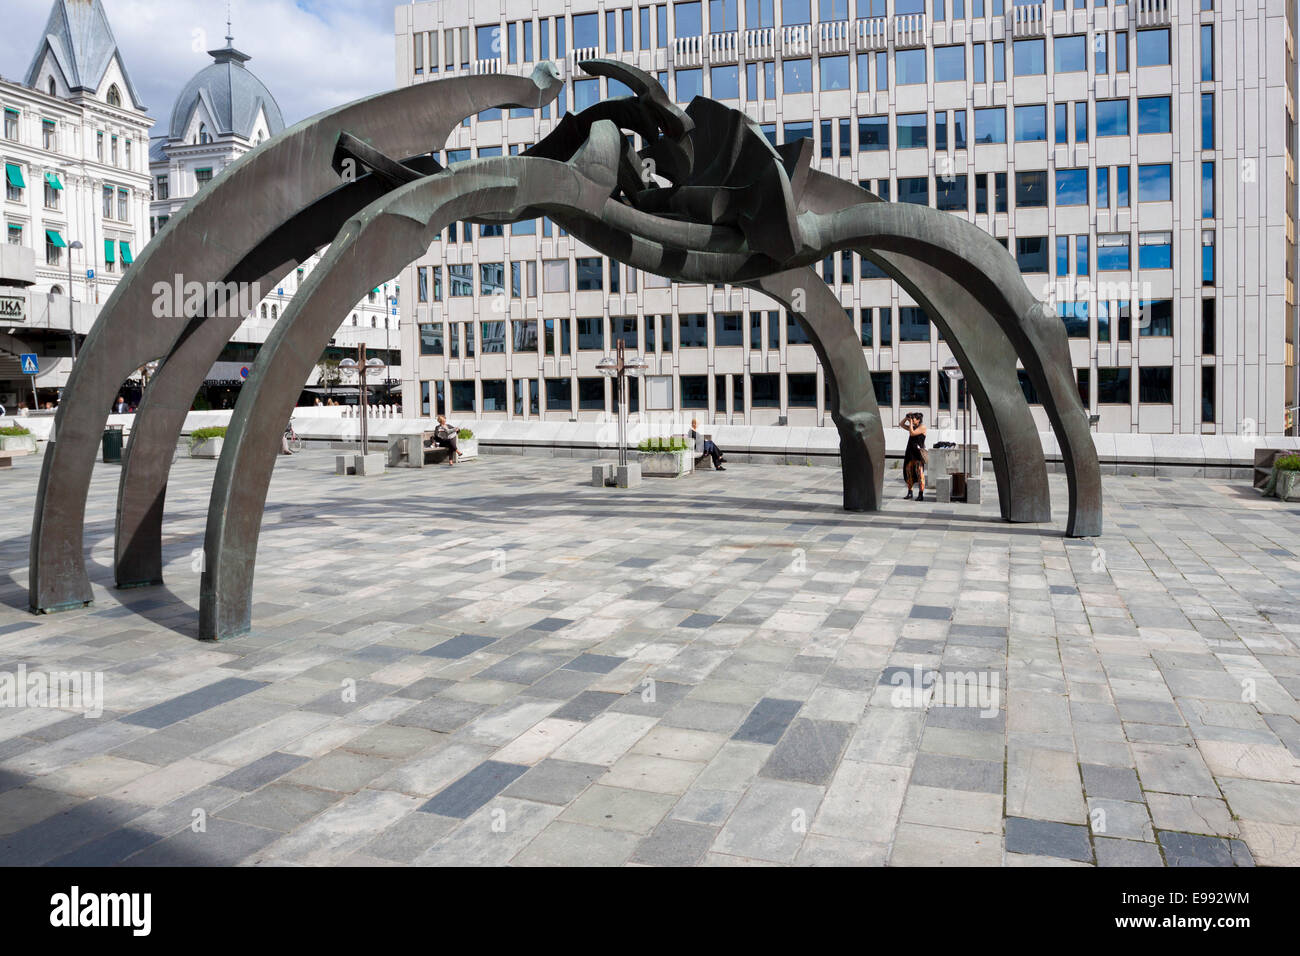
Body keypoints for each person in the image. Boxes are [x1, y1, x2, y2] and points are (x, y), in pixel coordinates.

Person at [901, 412, 927, 501]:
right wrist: (906, 418)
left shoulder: (922, 427)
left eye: (914, 418)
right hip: (910, 452)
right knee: (909, 473)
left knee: (920, 473)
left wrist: (910, 423)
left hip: (918, 454)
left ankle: (921, 494)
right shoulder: (913, 427)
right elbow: (901, 424)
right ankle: (910, 492)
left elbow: (912, 433)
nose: (912, 420)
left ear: (918, 420)